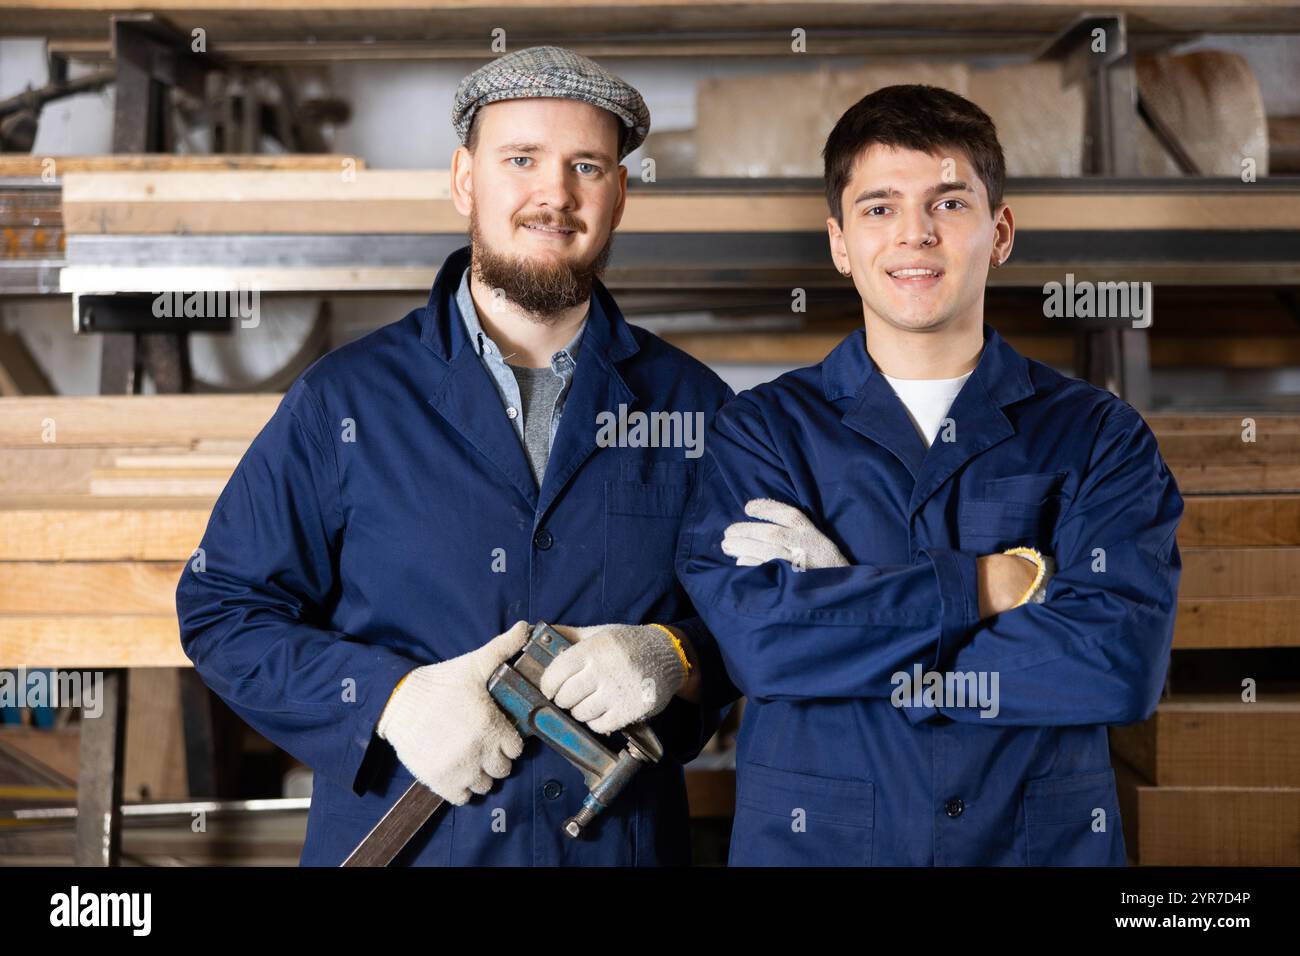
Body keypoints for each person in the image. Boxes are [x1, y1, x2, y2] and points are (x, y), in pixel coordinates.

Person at [177, 46, 733, 866]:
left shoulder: (695, 407)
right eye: (522, 160)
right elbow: (222, 609)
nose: (556, 194)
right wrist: (388, 701)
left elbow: (757, 615)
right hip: (413, 847)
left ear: (618, 194)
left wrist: (677, 656)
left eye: (587, 164)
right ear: (465, 180)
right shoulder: (346, 401)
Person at [676, 84, 1183, 866]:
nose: (914, 235)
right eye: (879, 208)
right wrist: (982, 591)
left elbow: (1114, 665)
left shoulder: (1097, 437)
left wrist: (848, 608)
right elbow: (762, 647)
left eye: (948, 204)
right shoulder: (763, 433)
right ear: (840, 243)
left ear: (1000, 230)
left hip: (1032, 848)